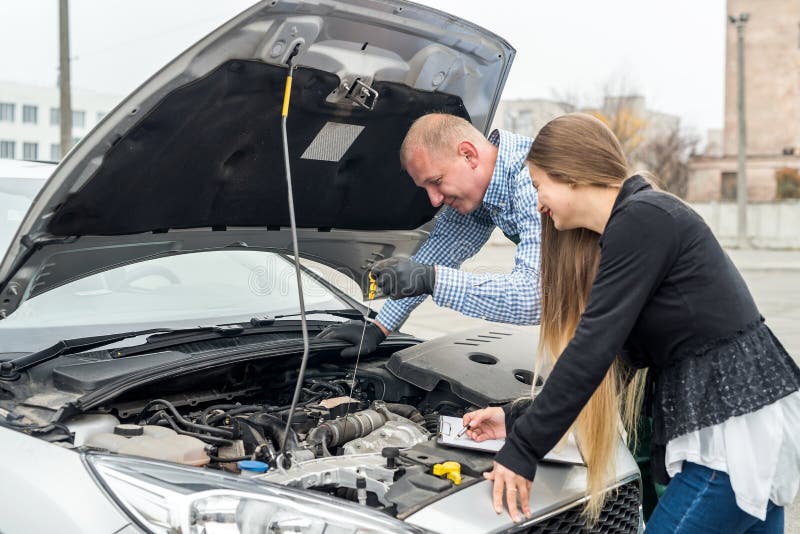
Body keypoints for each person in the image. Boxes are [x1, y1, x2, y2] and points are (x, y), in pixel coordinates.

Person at [464, 113, 800, 532]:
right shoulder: (637, 224)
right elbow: (611, 365)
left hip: (727, 439)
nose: (537, 203)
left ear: (570, 174)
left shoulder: (643, 218)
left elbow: (592, 346)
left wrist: (523, 450)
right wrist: (516, 419)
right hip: (744, 422)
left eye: (538, 186)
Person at [320, 113, 542, 355]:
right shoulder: (484, 191)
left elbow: (536, 297)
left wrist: (433, 280)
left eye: (436, 181)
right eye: (426, 188)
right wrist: (379, 328)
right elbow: (436, 255)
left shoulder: (532, 180)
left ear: (469, 154)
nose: (435, 200)